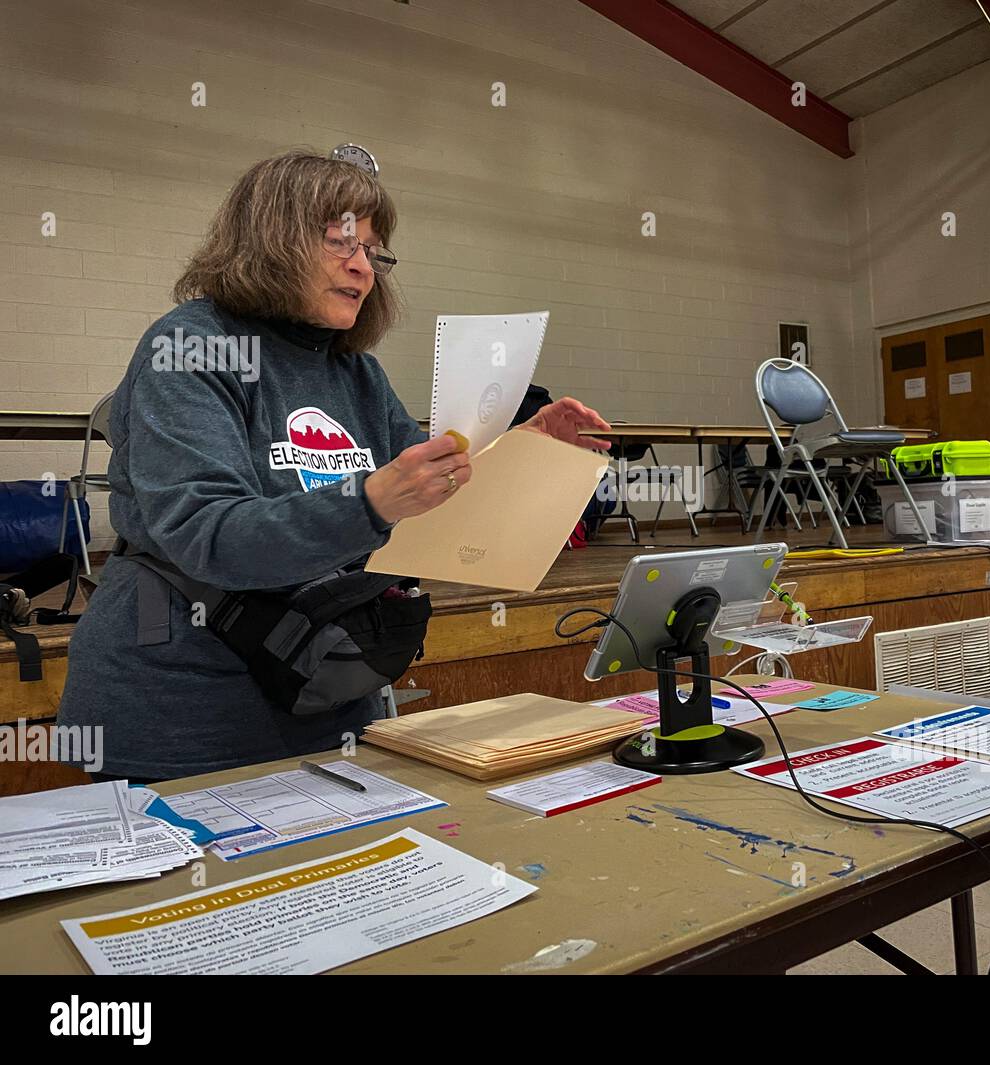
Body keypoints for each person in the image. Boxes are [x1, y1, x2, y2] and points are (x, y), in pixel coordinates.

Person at [56, 150, 610, 783]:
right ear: (272, 238)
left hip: (324, 690)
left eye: (375, 252)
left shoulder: (356, 372)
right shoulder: (189, 347)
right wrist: (369, 502)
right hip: (187, 711)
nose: (362, 267)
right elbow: (209, 535)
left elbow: (434, 501)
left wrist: (523, 454)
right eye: (342, 243)